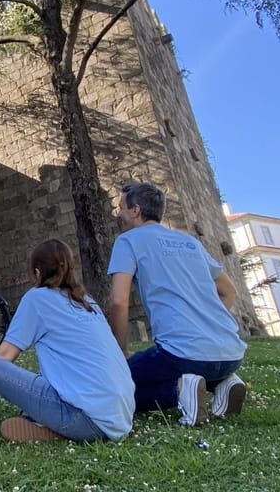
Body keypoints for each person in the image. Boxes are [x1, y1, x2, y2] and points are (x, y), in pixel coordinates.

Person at [0, 239, 135, 443]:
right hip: (121, 418)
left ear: (37, 272)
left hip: (85, 419)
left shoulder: (38, 298)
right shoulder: (87, 302)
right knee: (43, 379)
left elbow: (3, 356)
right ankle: (47, 424)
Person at [108, 182, 248, 426]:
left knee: (111, 385)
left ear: (136, 210)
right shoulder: (190, 242)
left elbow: (119, 301)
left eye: (120, 207)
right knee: (191, 365)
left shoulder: (128, 241)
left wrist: (120, 351)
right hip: (231, 352)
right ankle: (224, 383)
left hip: (181, 354)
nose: (118, 213)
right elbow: (229, 292)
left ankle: (182, 390)